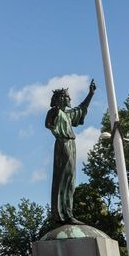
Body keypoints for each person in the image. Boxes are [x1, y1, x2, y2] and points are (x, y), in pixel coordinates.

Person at [45, 79, 97, 224]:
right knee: (63, 177)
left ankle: (68, 212)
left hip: (71, 144)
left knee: (71, 180)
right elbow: (49, 123)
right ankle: (61, 214)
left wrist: (90, 94)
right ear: (61, 99)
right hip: (62, 143)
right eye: (68, 97)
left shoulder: (67, 115)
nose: (70, 99)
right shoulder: (54, 112)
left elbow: (81, 109)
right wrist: (55, 109)